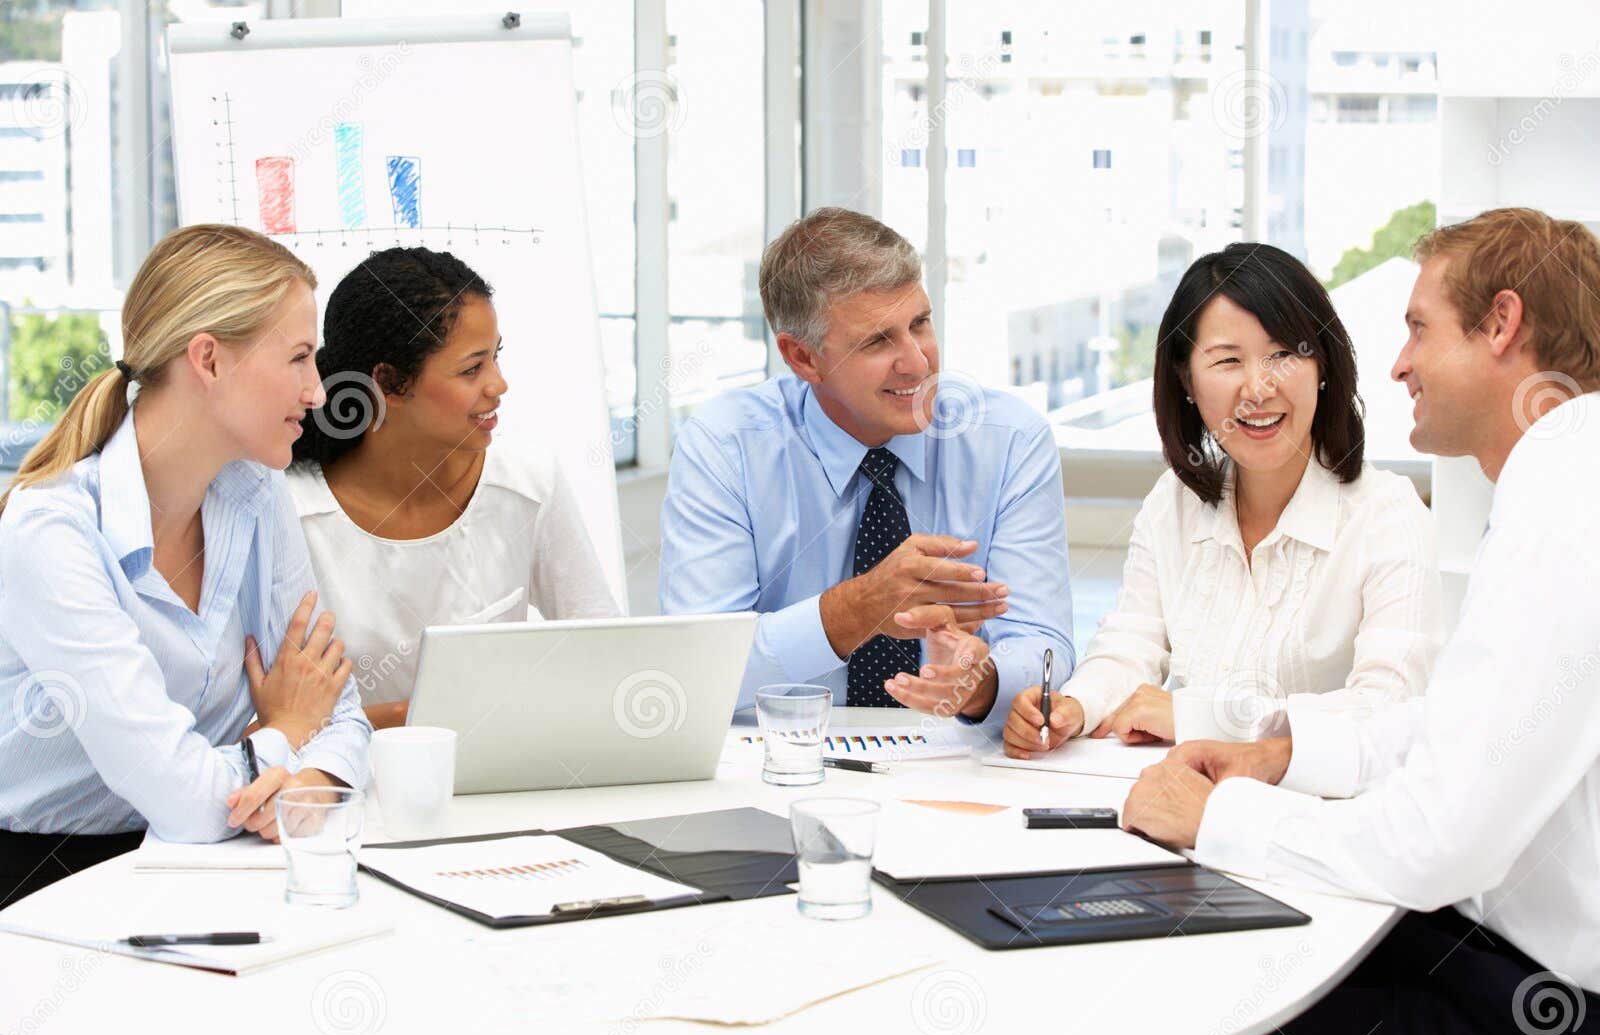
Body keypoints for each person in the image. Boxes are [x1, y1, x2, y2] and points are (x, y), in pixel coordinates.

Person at [1124, 207, 1600, 1035]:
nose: (1400, 362)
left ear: (1502, 324)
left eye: (1420, 329)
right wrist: (1283, 752)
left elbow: (1436, 844)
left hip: (1544, 1024)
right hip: (1485, 955)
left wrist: (1220, 815)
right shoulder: (1559, 476)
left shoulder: (1565, 509)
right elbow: (1463, 725)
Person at [0, 224, 372, 908]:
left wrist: (303, 780)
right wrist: (284, 733)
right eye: (297, 358)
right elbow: (181, 796)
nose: (318, 392)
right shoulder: (50, 531)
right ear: (208, 359)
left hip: (220, 859)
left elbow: (343, 717)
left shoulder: (259, 496)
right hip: (42, 882)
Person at [1002, 244, 1441, 758]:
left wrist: (1200, 718)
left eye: (1283, 354)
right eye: (1228, 360)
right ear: (1187, 380)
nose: (1258, 388)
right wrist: (1073, 706)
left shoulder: (1388, 515)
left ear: (1322, 362)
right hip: (1175, 801)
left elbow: (1388, 706)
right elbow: (1132, 644)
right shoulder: (1175, 502)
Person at [659, 207, 1074, 724]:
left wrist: (982, 685)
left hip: (953, 766)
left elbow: (1045, 646)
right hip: (780, 760)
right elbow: (698, 669)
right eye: (878, 341)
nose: (919, 363)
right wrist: (857, 609)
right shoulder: (727, 445)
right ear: (803, 358)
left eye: (919, 324)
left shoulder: (1009, 439)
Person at [289, 247, 618, 728]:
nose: (498, 384)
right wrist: (415, 720)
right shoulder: (292, 511)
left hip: (500, 782)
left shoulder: (528, 483)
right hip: (344, 791)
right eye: (472, 368)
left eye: (496, 357)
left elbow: (603, 653)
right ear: (390, 382)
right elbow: (271, 723)